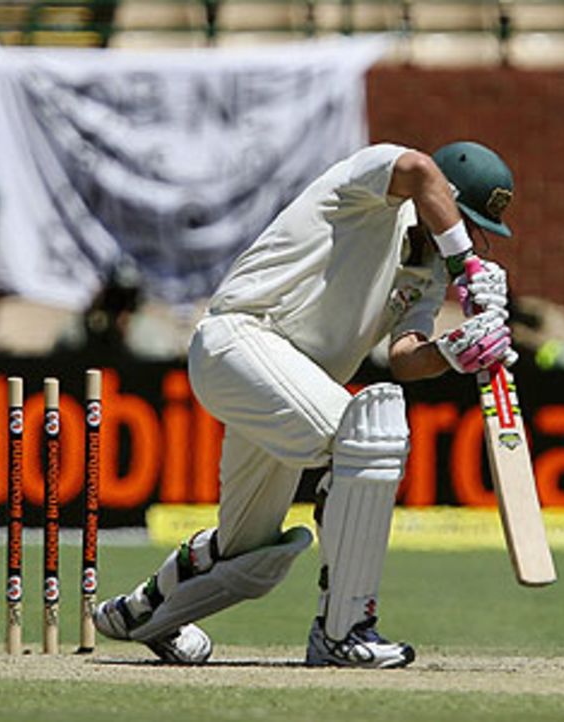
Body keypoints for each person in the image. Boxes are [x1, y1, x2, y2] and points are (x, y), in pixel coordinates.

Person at [93, 141, 518, 668]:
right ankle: (344, 631)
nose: (468, 234)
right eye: (465, 220)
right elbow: (416, 169)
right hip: (240, 341)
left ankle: (140, 613)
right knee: (370, 436)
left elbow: (405, 358)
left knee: (251, 558)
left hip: (290, 383)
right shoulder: (367, 188)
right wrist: (469, 265)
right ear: (443, 197)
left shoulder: (427, 270)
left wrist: (453, 352)